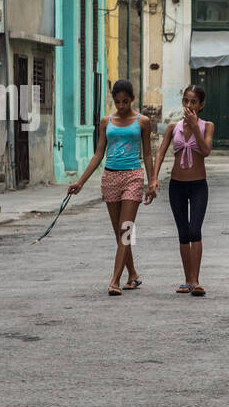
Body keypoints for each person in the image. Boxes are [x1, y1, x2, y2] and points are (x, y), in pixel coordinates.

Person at [68, 80, 157, 295]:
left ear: (132, 99)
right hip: (110, 177)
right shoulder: (106, 121)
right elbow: (99, 153)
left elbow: (146, 153)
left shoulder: (142, 121)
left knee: (126, 229)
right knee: (120, 233)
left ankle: (114, 280)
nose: (121, 106)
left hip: (133, 176)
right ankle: (133, 274)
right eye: (117, 102)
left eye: (125, 101)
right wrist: (80, 182)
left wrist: (152, 180)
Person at [153, 85, 212, 295]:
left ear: (201, 104)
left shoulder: (207, 126)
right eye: (186, 101)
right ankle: (187, 280)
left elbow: (205, 151)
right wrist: (153, 179)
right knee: (183, 233)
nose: (189, 105)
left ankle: (196, 280)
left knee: (195, 230)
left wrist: (195, 127)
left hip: (198, 186)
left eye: (194, 102)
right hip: (177, 186)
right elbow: (160, 154)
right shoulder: (173, 127)